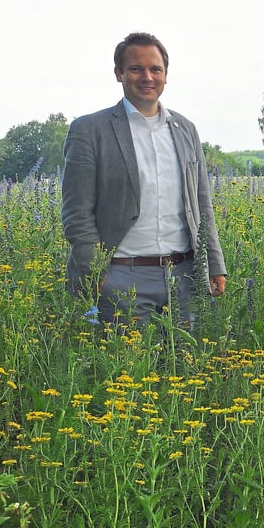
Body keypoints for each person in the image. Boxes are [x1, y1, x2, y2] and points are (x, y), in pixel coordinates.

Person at [61, 32, 226, 322]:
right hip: (122, 277)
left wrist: (214, 264)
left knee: (186, 365)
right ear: (118, 73)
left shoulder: (185, 129)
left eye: (155, 69)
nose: (147, 77)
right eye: (136, 68)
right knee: (126, 367)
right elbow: (77, 213)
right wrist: (96, 275)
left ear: (165, 75)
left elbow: (202, 204)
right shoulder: (90, 130)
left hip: (185, 276)